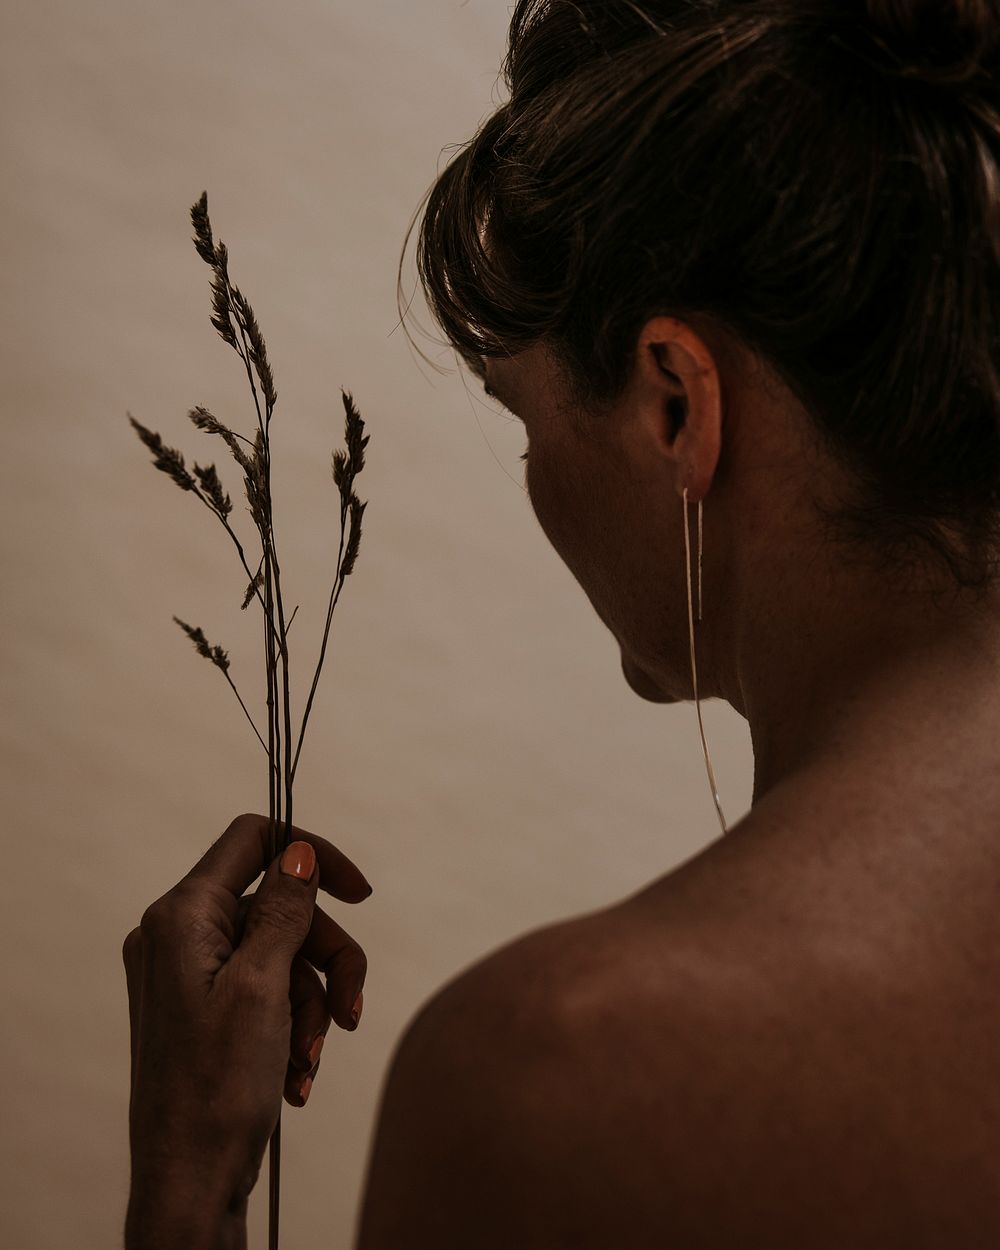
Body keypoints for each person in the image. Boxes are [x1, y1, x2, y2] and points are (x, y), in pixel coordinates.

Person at [122, 1, 1000, 1246]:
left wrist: (183, 1180)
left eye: (525, 420)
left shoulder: (563, 1076)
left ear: (674, 401)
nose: (534, 471)